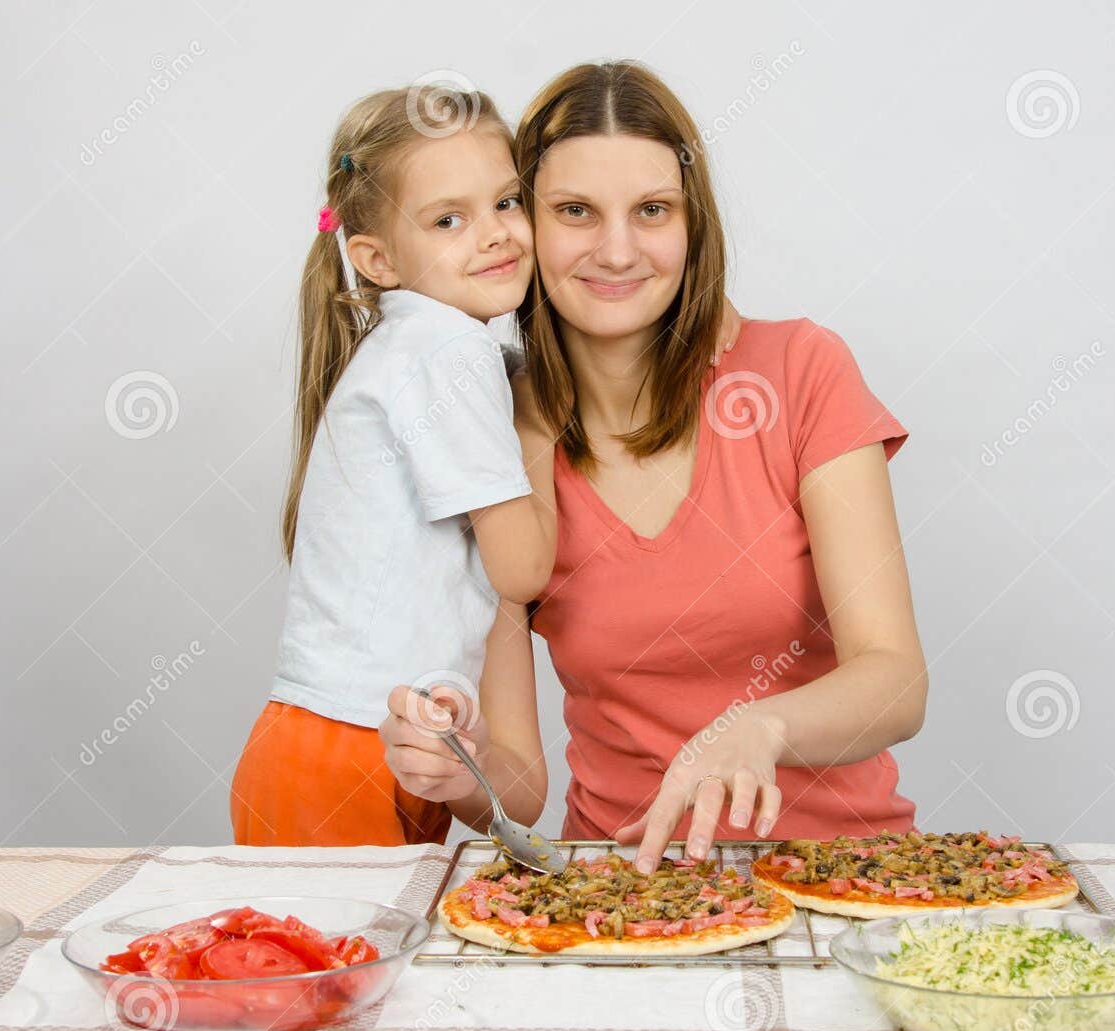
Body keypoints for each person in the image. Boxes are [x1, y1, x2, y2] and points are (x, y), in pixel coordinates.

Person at [378, 61, 928, 873]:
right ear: (520, 223)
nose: (617, 249)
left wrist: (761, 727)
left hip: (846, 879)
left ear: (690, 224)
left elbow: (895, 679)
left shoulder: (801, 371)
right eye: (574, 212)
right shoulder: (488, 430)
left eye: (652, 210)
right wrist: (458, 764)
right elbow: (520, 786)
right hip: (621, 891)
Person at [229, 84, 556, 847]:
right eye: (449, 219)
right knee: (331, 967)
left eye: (508, 202)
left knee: (356, 967)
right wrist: (548, 424)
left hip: (357, 746)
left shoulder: (422, 342)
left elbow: (525, 795)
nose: (496, 235)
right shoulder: (448, 347)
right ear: (376, 259)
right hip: (345, 751)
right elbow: (523, 569)